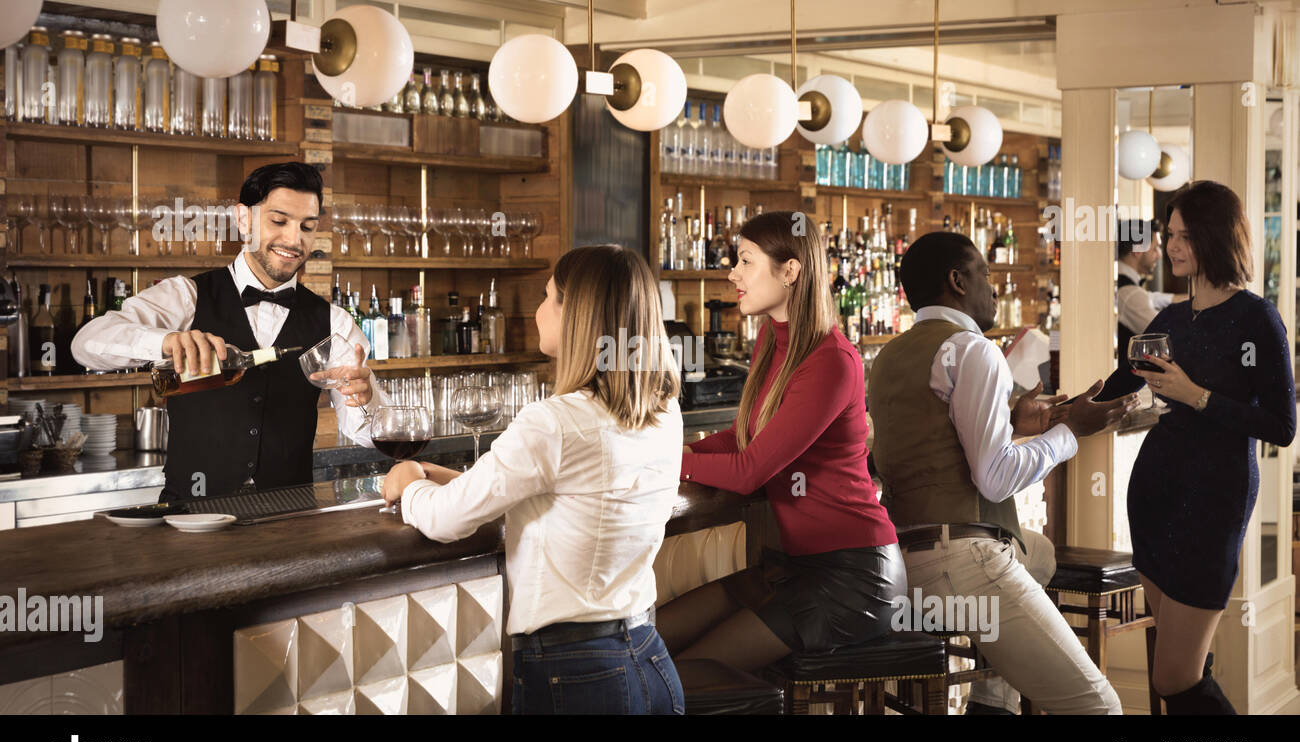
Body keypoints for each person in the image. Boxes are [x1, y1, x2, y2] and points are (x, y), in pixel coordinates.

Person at [382, 245, 685, 715]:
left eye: (548, 297)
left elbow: (445, 520)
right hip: (651, 661)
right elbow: (547, 488)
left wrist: (409, 484)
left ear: (576, 315)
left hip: (578, 675)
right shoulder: (664, 412)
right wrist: (432, 473)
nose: (537, 310)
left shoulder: (554, 422)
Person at [869, 231, 1139, 715]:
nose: (994, 289)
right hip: (960, 563)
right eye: (985, 275)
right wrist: (1069, 432)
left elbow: (930, 438)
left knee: (1038, 553)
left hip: (898, 565)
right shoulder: (976, 350)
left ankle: (991, 701)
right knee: (1100, 705)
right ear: (956, 281)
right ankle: (994, 696)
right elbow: (994, 478)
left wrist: (1014, 420)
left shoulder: (888, 357)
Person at [655, 211, 905, 673]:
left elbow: (751, 470)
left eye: (746, 261)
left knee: (687, 675)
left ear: (790, 271)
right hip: (794, 566)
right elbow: (744, 438)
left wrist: (666, 459)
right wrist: (686, 453)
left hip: (854, 578)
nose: (732, 273)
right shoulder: (772, 340)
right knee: (651, 639)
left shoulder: (831, 360)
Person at [1096, 181, 1296, 714]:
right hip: (1155, 494)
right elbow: (1119, 382)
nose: (1171, 246)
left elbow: (1281, 425)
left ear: (1214, 236)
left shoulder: (1257, 319)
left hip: (1213, 500)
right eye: (1168, 234)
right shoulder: (1169, 320)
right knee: (1182, 668)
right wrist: (1057, 411)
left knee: (1174, 676)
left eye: (1184, 235)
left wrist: (1197, 396)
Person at [71, 162, 383, 501]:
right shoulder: (185, 297)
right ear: (244, 219)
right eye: (278, 221)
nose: (294, 240)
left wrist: (368, 401)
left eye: (307, 227)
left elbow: (369, 432)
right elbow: (85, 343)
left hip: (290, 523)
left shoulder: (333, 323)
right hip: (190, 519)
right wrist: (165, 341)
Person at [1116, 218, 1185, 373]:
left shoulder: (1126, 287)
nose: (1159, 255)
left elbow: (1154, 298)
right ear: (1138, 250)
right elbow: (1166, 340)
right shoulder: (1129, 295)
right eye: (1155, 248)